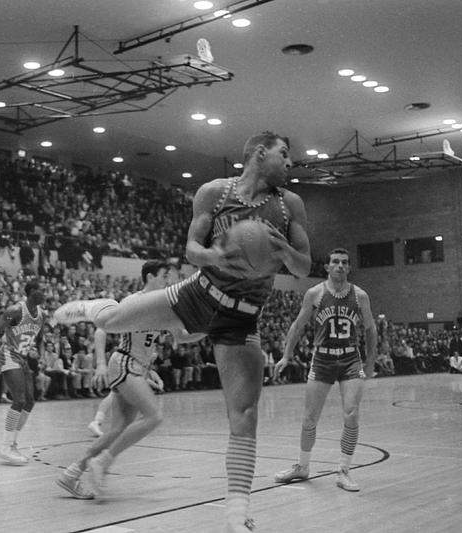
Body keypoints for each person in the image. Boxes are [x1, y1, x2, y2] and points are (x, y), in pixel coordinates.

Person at [54, 131, 310, 532]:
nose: (290, 162)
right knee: (111, 320)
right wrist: (212, 255)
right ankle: (92, 306)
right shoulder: (213, 192)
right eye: (284, 154)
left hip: (240, 318)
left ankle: (236, 514)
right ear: (260, 153)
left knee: (244, 415)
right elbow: (192, 247)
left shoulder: (288, 205)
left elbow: (302, 266)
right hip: (198, 294)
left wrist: (283, 251)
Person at [57, 260, 197, 500]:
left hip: (138, 368)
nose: (168, 280)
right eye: (164, 275)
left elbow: (182, 337)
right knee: (154, 416)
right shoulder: (133, 302)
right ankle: (104, 461)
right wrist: (100, 364)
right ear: (150, 277)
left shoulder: (165, 309)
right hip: (123, 362)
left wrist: (215, 329)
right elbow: (102, 329)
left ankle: (71, 474)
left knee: (117, 429)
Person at [272, 248, 377, 492]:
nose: (340, 266)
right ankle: (302, 466)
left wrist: (370, 362)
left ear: (349, 268)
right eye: (335, 262)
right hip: (322, 360)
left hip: (351, 359)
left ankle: (343, 470)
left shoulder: (360, 295)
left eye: (344, 262)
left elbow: (370, 329)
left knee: (351, 414)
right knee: (309, 418)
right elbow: (298, 326)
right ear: (327, 267)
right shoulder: (314, 293)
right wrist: (287, 355)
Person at [0, 280, 46, 465]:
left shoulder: (41, 315)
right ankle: (5, 448)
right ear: (31, 292)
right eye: (41, 289)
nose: (44, 292)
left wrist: (42, 354)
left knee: (29, 401)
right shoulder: (15, 310)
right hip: (8, 355)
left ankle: (13, 444)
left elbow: (40, 339)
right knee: (19, 400)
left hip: (22, 358)